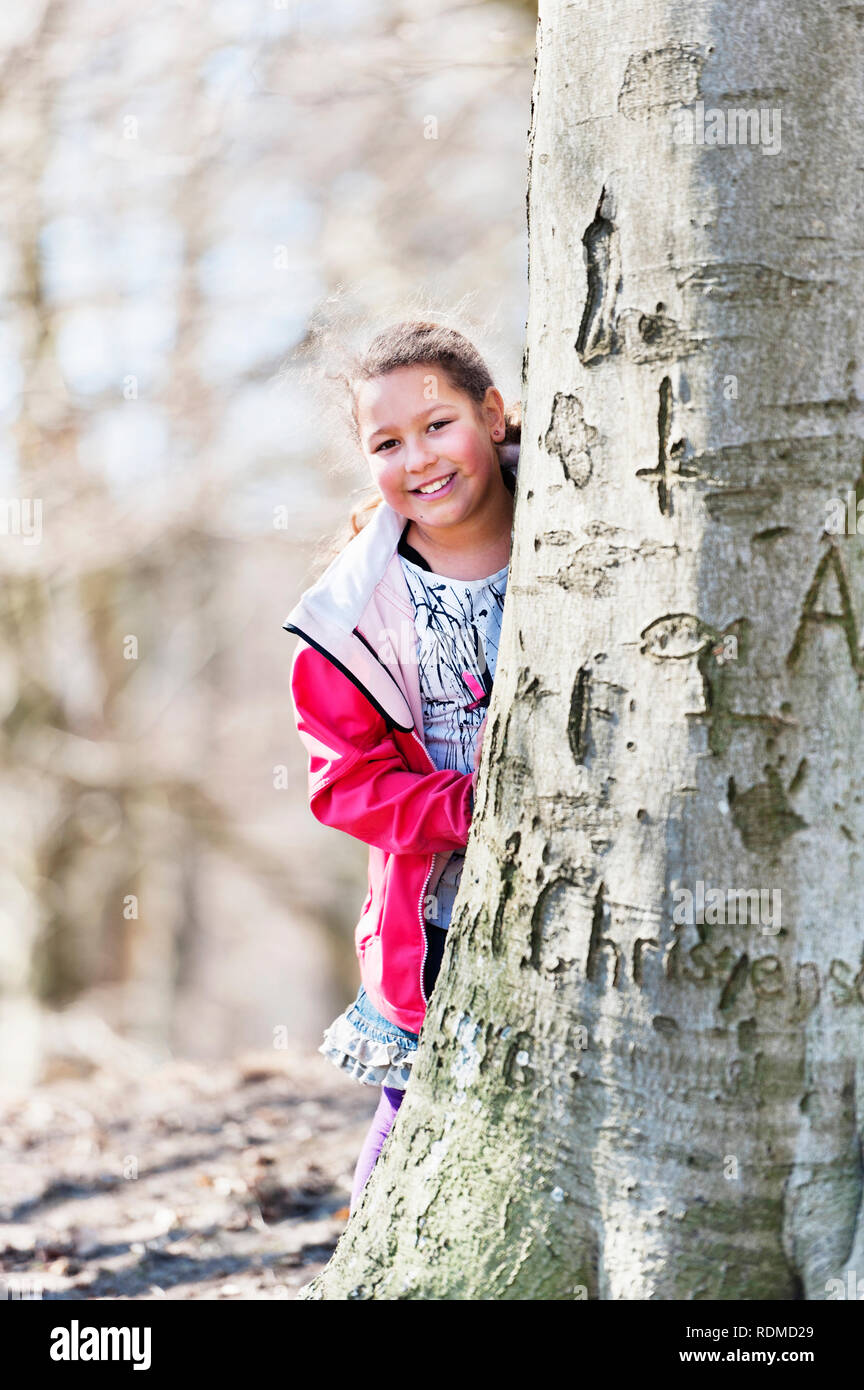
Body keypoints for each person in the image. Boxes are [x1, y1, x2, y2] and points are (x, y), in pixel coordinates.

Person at [283, 320, 520, 1212]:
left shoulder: (582, 525)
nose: (417, 457)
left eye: (437, 425)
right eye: (387, 443)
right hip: (442, 918)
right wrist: (481, 808)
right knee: (418, 1110)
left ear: (493, 415)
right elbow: (346, 785)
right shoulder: (349, 618)